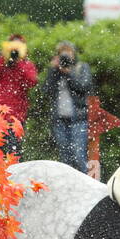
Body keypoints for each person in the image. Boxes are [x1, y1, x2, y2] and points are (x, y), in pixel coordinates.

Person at [40, 40, 94, 173]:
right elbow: (46, 90)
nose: (65, 54)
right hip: (59, 120)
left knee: (79, 155)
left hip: (78, 119)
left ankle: (85, 185)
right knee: (65, 157)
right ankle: (69, 188)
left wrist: (68, 73)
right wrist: (54, 70)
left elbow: (83, 87)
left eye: (68, 51)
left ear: (73, 53)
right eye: (62, 52)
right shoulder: (55, 71)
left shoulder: (81, 67)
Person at [0, 34, 38, 156]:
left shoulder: (26, 64)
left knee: (13, 149)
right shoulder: (1, 62)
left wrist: (19, 63)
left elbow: (32, 81)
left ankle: (13, 173)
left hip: (17, 115)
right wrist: (4, 60)